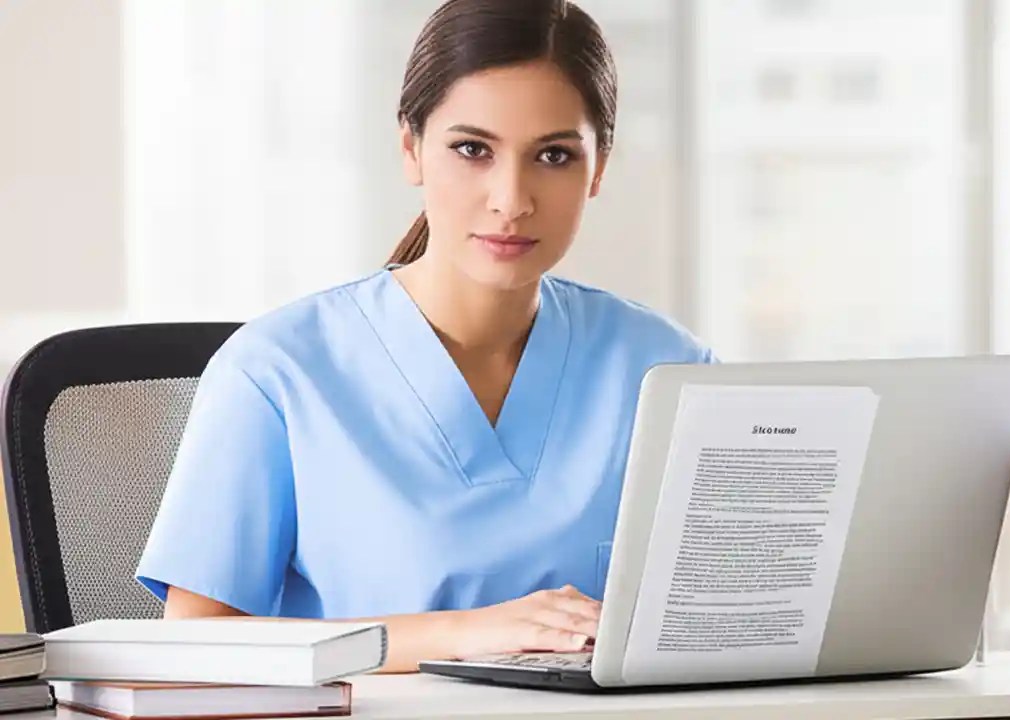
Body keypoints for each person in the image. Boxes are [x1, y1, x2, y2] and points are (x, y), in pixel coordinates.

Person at [135, 0, 714, 674]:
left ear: (600, 167)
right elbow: (193, 646)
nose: (511, 198)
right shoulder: (278, 372)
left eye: (553, 155)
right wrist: (463, 634)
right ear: (410, 148)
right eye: (472, 149)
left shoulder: (668, 370)